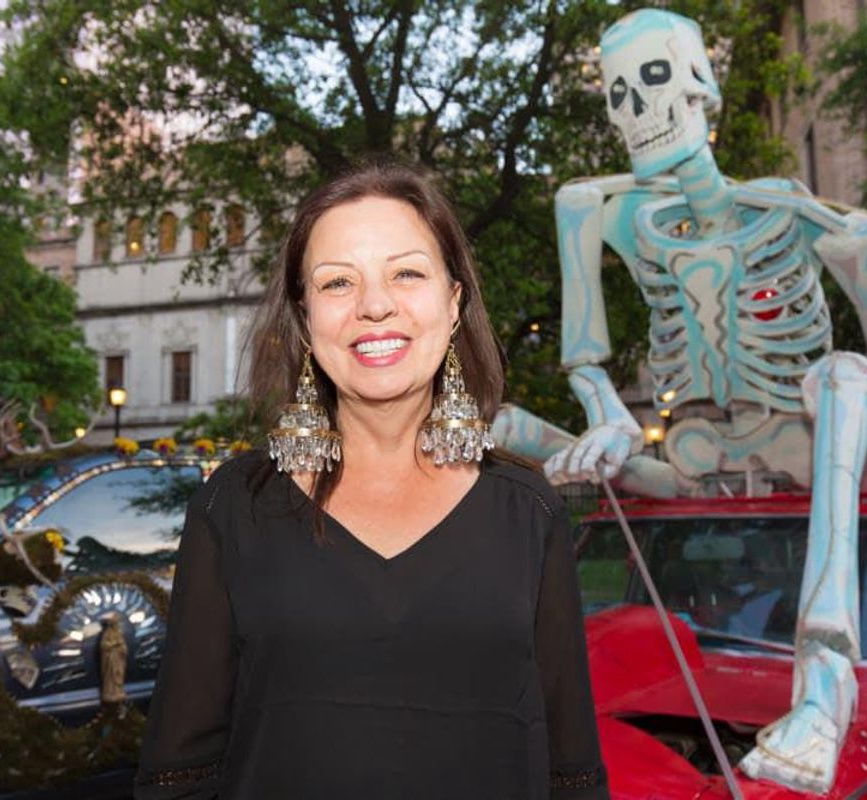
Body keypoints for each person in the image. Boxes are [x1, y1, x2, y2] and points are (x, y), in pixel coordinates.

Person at [134, 160, 608, 799]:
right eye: (337, 283)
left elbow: (571, 770)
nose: (375, 306)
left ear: (454, 300)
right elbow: (177, 772)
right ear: (305, 318)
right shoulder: (232, 507)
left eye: (407, 273)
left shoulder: (530, 512)